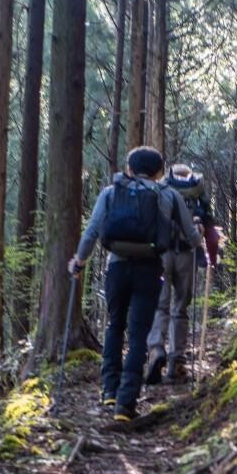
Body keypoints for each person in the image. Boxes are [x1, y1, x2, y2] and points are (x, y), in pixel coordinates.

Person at [69, 147, 201, 422]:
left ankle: (109, 389)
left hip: (117, 266)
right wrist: (198, 235)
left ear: (129, 168)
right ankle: (126, 403)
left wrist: (79, 262)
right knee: (139, 334)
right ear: (159, 171)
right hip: (149, 269)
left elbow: (93, 230)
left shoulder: (110, 192)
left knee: (114, 325)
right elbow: (191, 236)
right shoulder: (167, 194)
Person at [145, 163, 220, 385]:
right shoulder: (199, 192)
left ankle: (156, 349)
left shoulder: (161, 189)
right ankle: (176, 363)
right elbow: (212, 232)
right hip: (186, 254)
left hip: (161, 254)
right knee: (180, 307)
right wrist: (212, 259)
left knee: (160, 305)